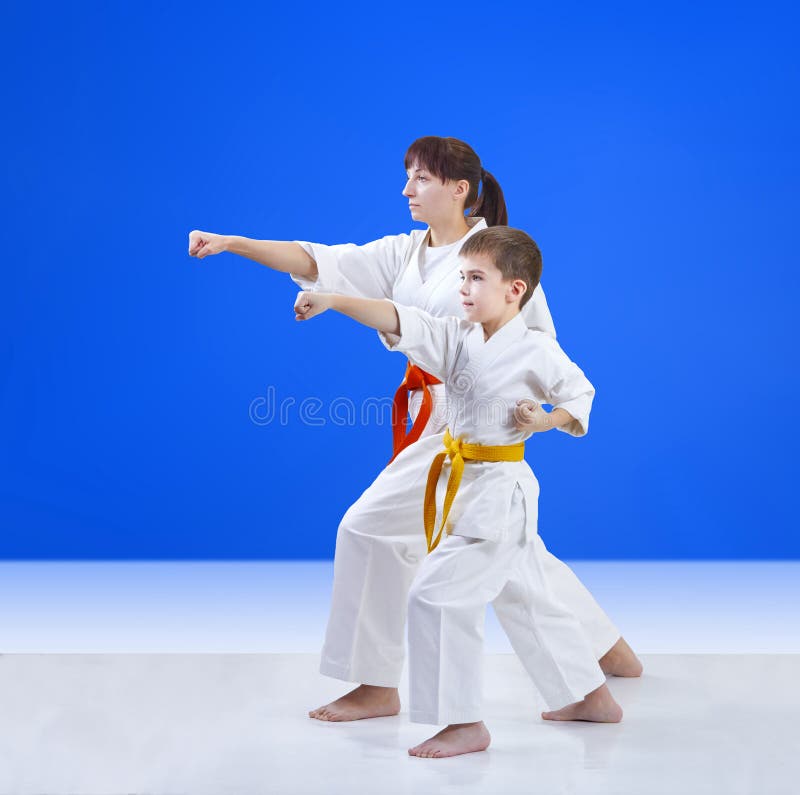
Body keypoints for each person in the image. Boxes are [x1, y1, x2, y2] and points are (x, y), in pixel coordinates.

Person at [188, 136, 641, 724]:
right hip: (433, 418)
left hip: (482, 422)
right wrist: (236, 244)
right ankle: (596, 659)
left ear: (459, 190)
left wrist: (530, 421)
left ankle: (591, 679)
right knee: (451, 543)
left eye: (421, 179)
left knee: (502, 553)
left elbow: (536, 353)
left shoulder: (497, 261)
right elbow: (318, 260)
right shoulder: (407, 252)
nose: (407, 190)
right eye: (408, 177)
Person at [293, 226, 623, 758]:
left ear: (515, 290)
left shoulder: (537, 351)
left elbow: (580, 396)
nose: (463, 289)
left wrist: (546, 419)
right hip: (456, 479)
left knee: (436, 595)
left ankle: (464, 722)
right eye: (460, 277)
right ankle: (590, 697)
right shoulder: (458, 336)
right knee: (528, 597)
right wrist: (332, 299)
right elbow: (401, 319)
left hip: (499, 495)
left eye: (475, 279)